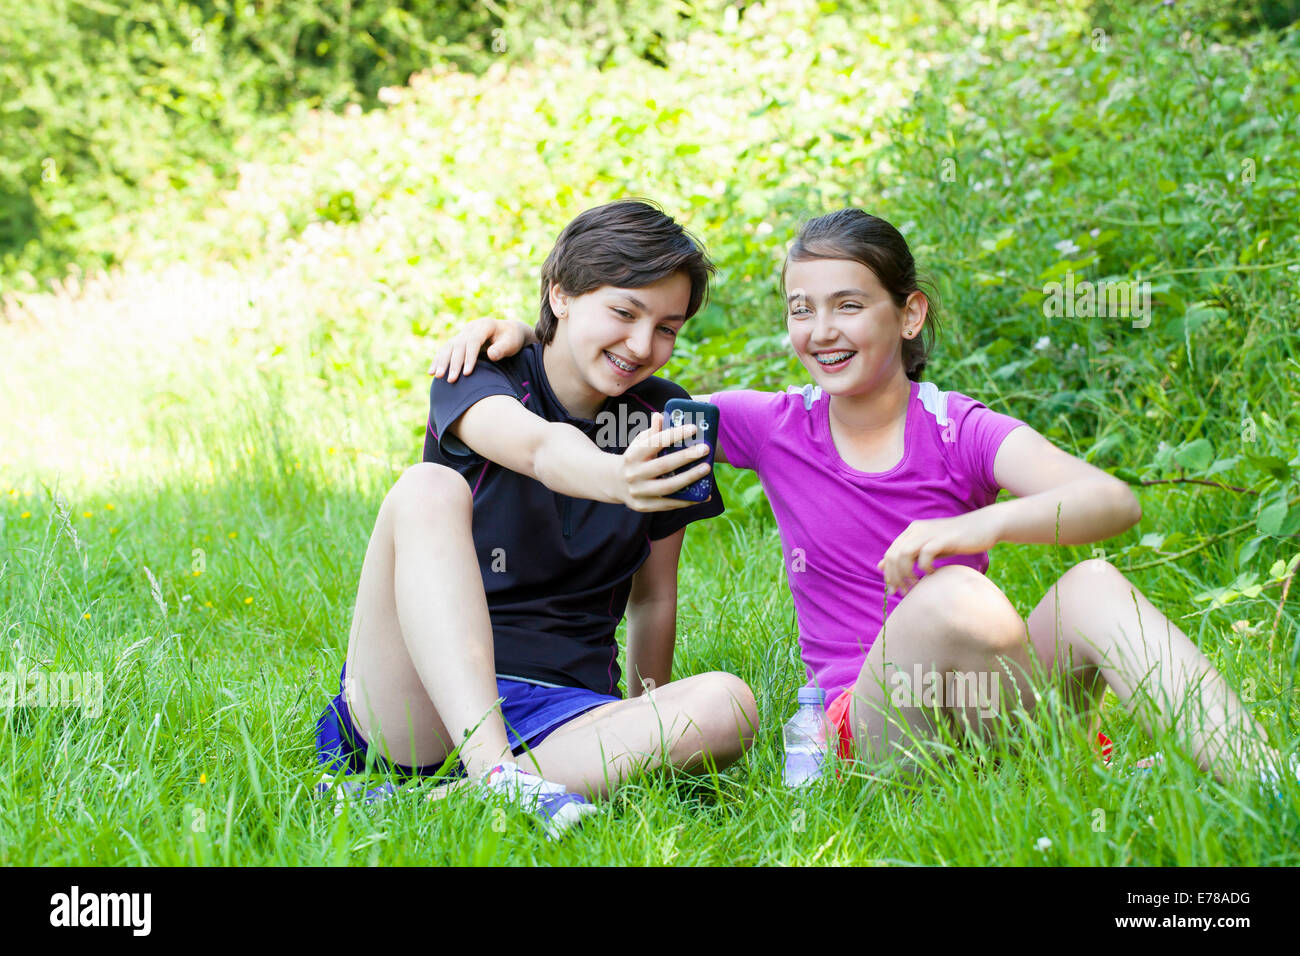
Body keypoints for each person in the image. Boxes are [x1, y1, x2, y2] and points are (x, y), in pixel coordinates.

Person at [431, 207, 1292, 787]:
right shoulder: (769, 425)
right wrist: (511, 333)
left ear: (907, 315)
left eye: (849, 304)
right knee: (956, 593)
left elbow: (1111, 502)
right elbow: (604, 386)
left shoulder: (961, 429)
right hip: (869, 716)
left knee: (1093, 586)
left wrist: (977, 519)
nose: (822, 330)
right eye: (801, 309)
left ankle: (1265, 782)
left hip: (987, 697)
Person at [316, 199, 758, 838]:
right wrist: (619, 479)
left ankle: (436, 806)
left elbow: (655, 597)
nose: (642, 345)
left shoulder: (665, 415)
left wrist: (649, 722)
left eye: (667, 327)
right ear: (561, 296)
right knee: (426, 487)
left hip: (565, 711)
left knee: (727, 703)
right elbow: (541, 448)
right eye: (624, 312)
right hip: (421, 704)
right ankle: (495, 774)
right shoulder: (479, 372)